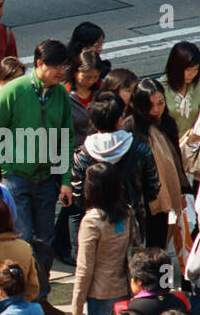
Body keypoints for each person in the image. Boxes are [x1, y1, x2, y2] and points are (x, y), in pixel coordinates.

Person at [66, 92, 158, 264]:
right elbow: (153, 187)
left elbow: (78, 195)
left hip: (95, 221)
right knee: (133, 266)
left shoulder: (82, 154)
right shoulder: (140, 148)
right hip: (133, 220)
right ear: (119, 120)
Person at [72, 162, 133, 315]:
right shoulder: (126, 213)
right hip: (123, 288)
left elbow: (85, 267)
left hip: (99, 293)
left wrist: (77, 302)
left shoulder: (92, 221)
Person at [130, 78, 190, 254]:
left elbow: (176, 159)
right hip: (142, 200)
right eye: (150, 105)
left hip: (163, 195)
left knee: (160, 246)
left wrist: (182, 190)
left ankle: (163, 281)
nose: (156, 109)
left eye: (160, 103)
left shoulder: (167, 123)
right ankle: (148, 281)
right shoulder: (131, 128)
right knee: (142, 251)